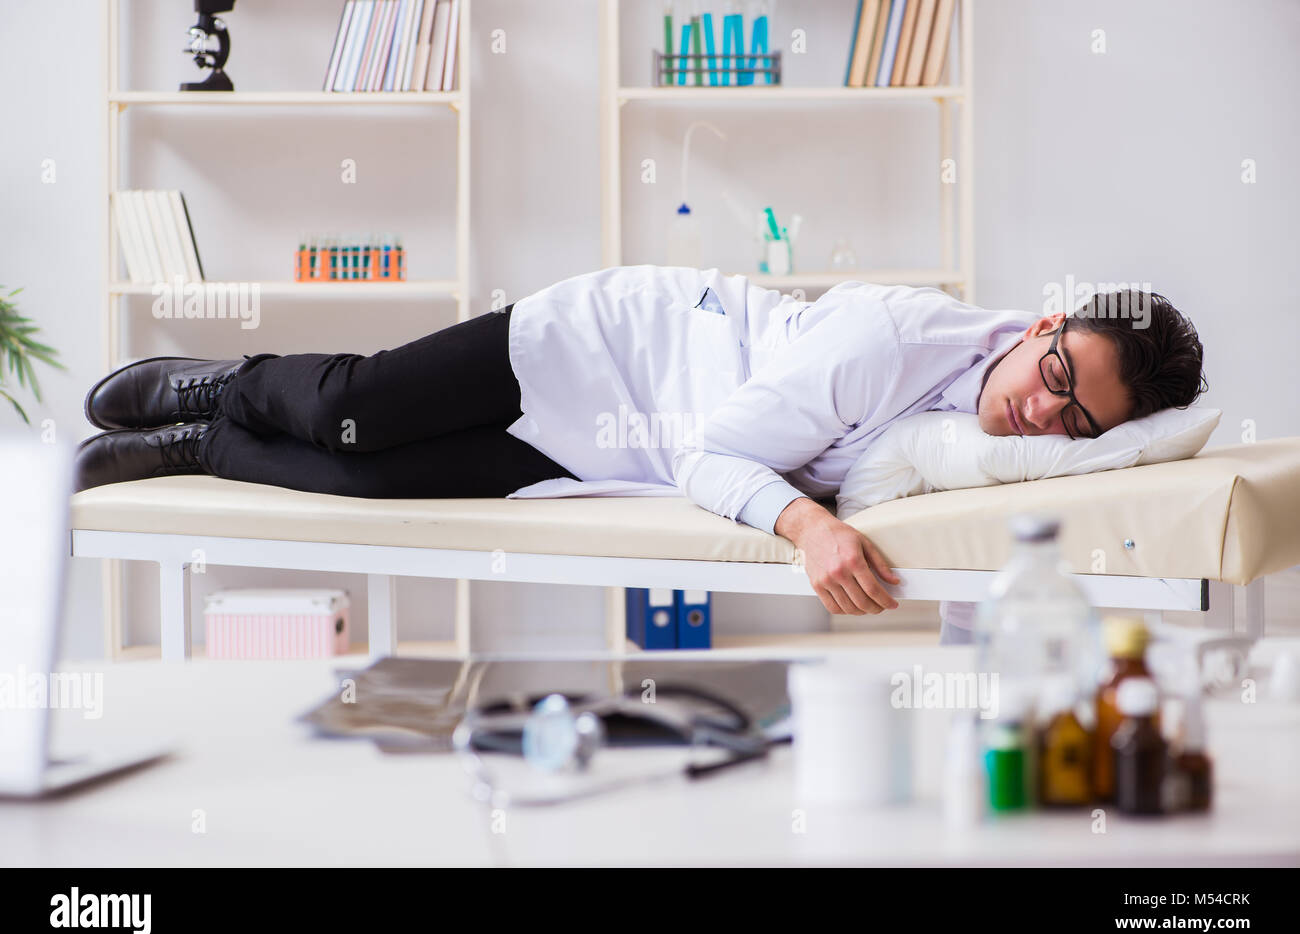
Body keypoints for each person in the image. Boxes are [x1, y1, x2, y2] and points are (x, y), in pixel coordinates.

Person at [75, 265, 1207, 623]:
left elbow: (1102, 450)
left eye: (1078, 421)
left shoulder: (982, 431)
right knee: (351, 412)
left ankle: (195, 444)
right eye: (1055, 377)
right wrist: (805, 524)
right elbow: (717, 458)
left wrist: (1119, 439)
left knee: (357, 481)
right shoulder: (884, 342)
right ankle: (220, 380)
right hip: (599, 351)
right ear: (1046, 324)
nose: (1041, 416)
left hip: (609, 451)